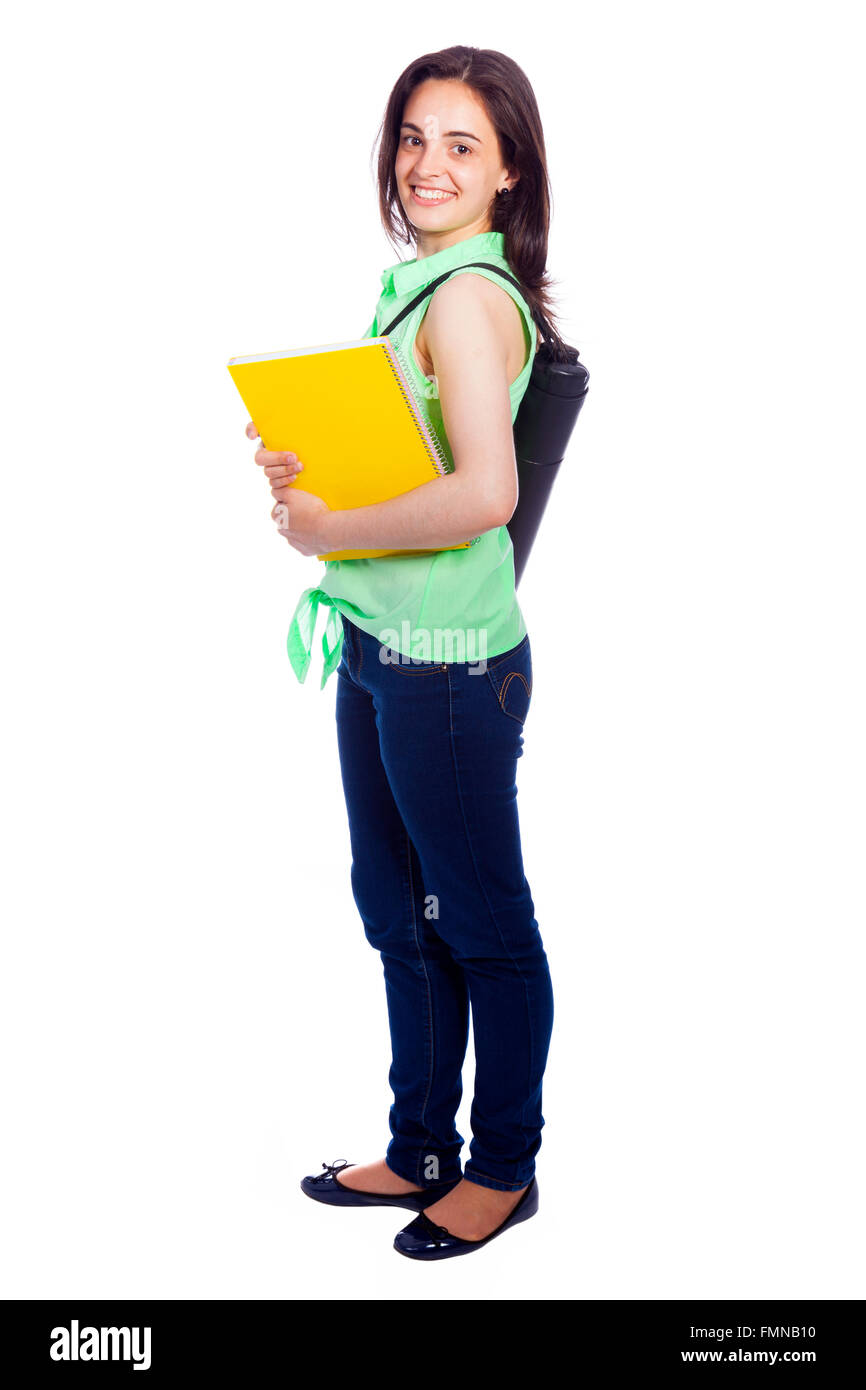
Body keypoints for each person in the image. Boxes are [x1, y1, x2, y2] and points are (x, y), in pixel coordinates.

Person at [246, 46, 567, 1260]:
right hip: (383, 644)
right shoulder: (417, 284)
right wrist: (306, 472)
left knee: (479, 921)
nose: (426, 165)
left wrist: (327, 529)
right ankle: (421, 1145)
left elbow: (483, 492)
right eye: (413, 136)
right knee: (399, 909)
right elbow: (415, 461)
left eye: (461, 145)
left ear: (508, 173)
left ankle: (501, 1168)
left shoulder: (468, 300)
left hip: (448, 668)